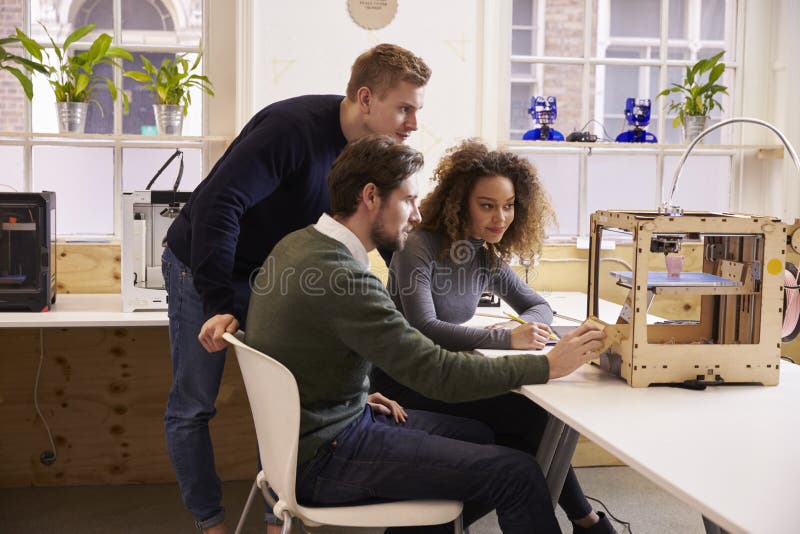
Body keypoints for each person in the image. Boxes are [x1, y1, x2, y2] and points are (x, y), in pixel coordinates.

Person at [246, 134, 606, 533]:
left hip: (315, 434)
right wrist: (545, 366)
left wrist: (359, 392)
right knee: (517, 473)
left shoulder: (295, 246)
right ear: (370, 197)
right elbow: (438, 373)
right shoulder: (347, 279)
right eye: (408, 200)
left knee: (481, 434)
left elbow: (307, 344)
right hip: (328, 454)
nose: (417, 214)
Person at [161, 44, 431, 533]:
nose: (412, 122)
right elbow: (220, 206)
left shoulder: (374, 153)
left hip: (273, 275)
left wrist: (414, 294)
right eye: (405, 108)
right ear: (366, 99)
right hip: (203, 266)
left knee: (286, 402)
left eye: (416, 111)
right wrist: (220, 304)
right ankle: (210, 523)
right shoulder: (292, 129)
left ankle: (275, 518)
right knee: (193, 404)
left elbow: (383, 228)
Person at [371, 139, 617, 533]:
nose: (500, 217)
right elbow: (423, 327)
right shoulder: (417, 246)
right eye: (487, 205)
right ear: (459, 201)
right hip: (406, 382)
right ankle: (587, 522)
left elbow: (538, 305)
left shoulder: (483, 255)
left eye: (509, 205)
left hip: (447, 374)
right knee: (531, 421)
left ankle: (581, 521)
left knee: (528, 429)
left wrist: (522, 327)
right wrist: (506, 341)